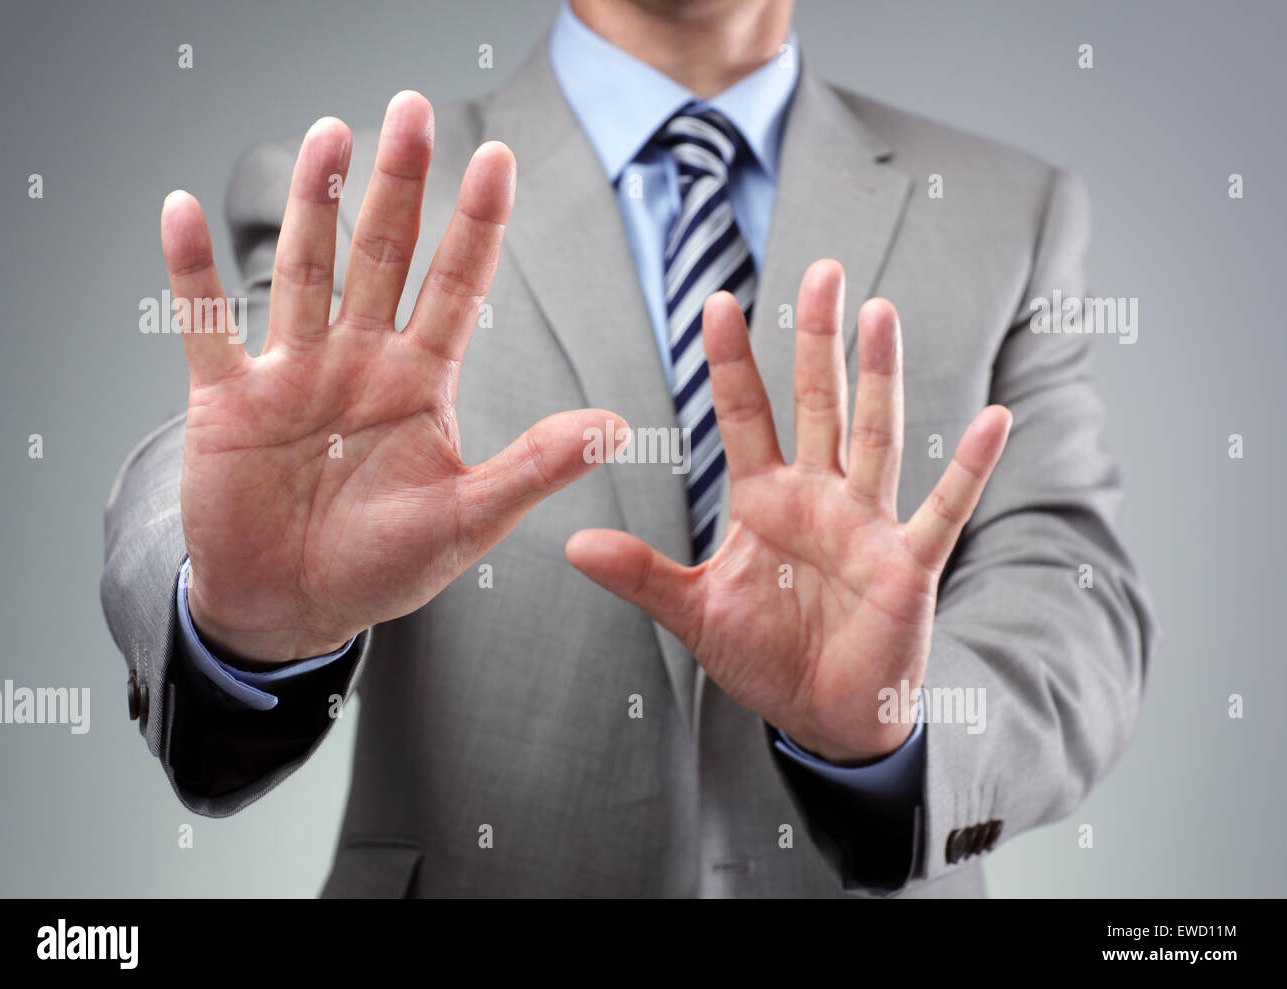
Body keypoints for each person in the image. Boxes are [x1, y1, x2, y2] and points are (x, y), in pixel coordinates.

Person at [101, 0, 1156, 897]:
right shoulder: (359, 196)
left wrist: (892, 730)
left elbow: (1071, 595)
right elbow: (202, 470)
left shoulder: (1006, 212)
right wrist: (235, 620)